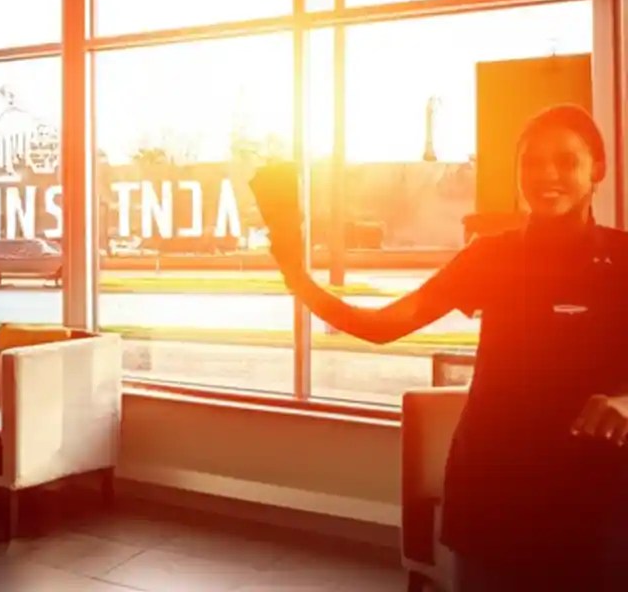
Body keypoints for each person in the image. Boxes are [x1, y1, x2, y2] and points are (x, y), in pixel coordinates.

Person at [249, 105, 628, 591]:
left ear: (598, 169)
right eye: (532, 162)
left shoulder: (622, 259)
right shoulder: (491, 256)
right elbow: (382, 326)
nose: (547, 174)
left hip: (597, 503)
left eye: (566, 161)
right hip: (493, 494)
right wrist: (299, 280)